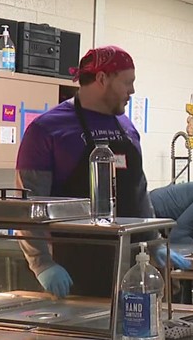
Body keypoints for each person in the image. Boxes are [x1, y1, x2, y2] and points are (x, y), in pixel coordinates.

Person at [16, 45, 158, 298]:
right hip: (73, 271)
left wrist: (155, 243)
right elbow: (28, 206)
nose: (132, 91)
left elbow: (139, 192)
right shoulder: (47, 130)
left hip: (133, 266)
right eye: (127, 83)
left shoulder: (127, 128)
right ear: (102, 78)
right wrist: (42, 264)